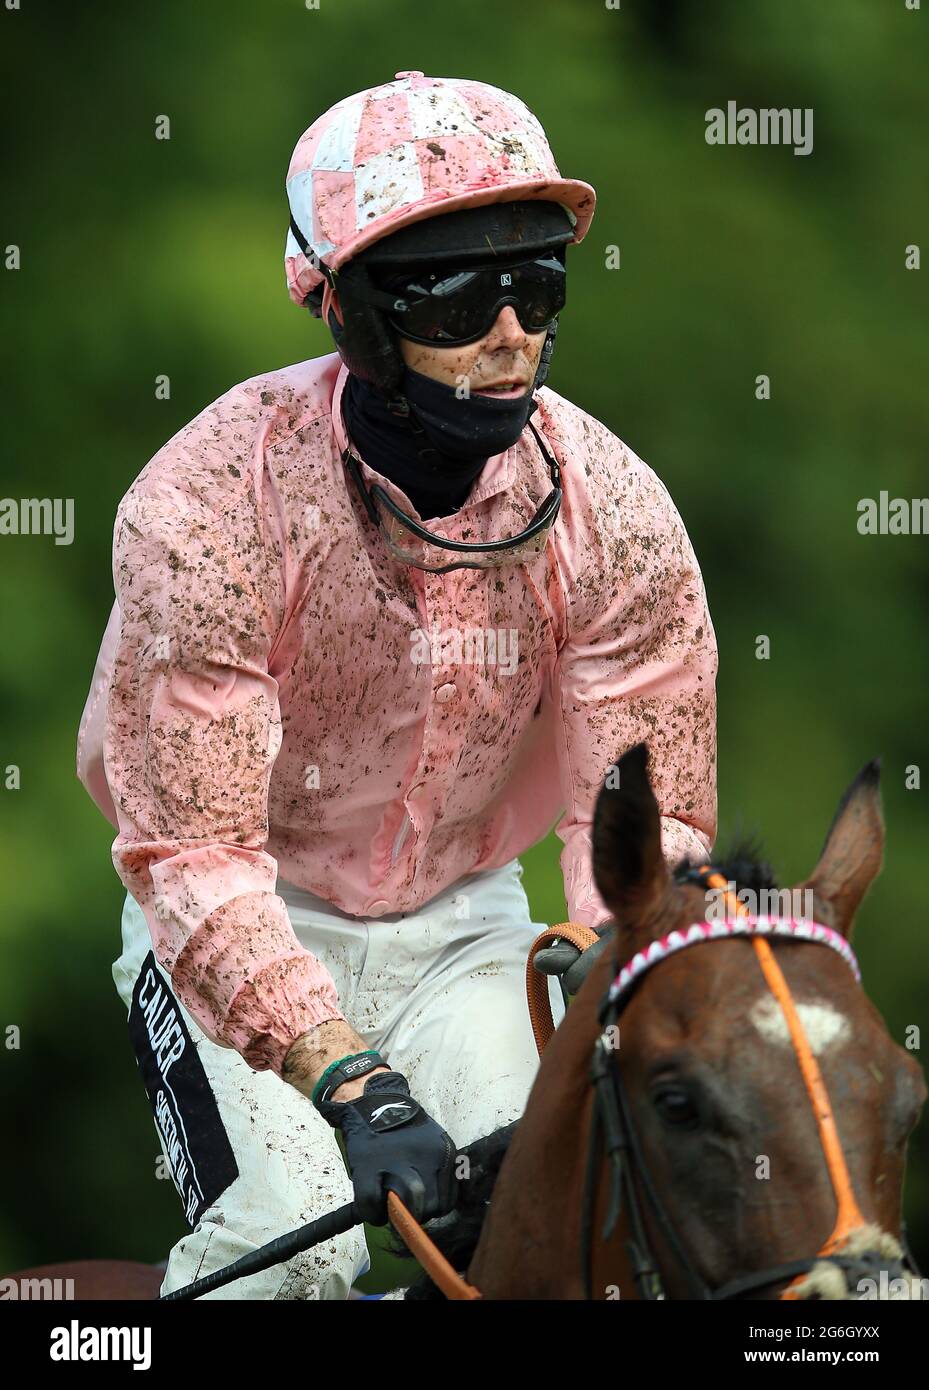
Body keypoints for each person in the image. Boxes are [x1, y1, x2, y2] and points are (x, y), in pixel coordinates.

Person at [76, 70, 718, 1300]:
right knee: (302, 1244)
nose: (513, 329)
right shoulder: (202, 506)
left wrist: (597, 974)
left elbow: (640, 831)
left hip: (469, 924)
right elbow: (193, 859)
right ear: (351, 311)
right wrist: (350, 1080)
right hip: (231, 909)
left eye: (536, 283)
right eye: (459, 293)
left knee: (577, 1236)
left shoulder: (619, 511)